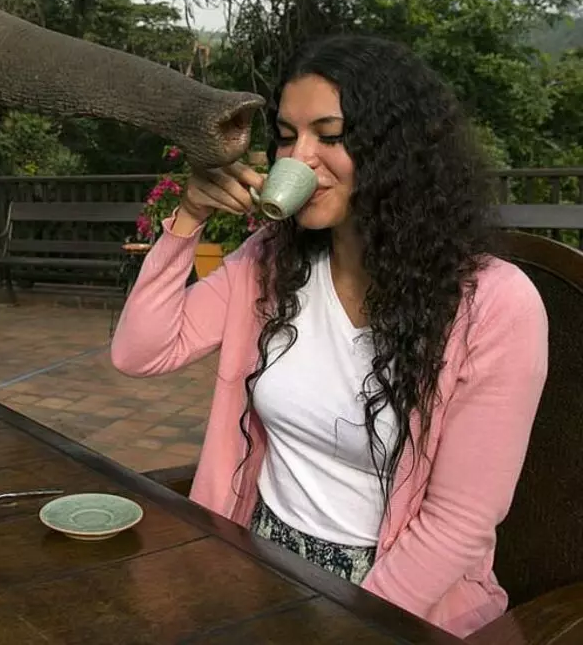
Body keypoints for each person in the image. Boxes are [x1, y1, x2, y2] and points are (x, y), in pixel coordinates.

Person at [110, 34, 548, 638]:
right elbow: (141, 352)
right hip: (257, 563)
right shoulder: (272, 261)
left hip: (399, 600)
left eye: (330, 135)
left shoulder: (494, 304)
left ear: (395, 149)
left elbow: (460, 522)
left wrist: (345, 624)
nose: (300, 159)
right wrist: (187, 219)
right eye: (288, 136)